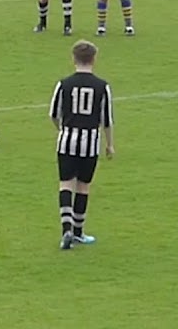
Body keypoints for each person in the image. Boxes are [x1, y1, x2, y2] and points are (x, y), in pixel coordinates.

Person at [49, 40, 114, 250]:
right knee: (83, 187)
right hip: (90, 143)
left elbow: (53, 114)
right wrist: (109, 144)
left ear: (73, 59)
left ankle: (65, 229)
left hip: (67, 141)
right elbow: (107, 119)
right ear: (94, 59)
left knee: (65, 184)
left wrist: (63, 129)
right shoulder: (102, 86)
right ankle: (78, 232)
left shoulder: (63, 84)